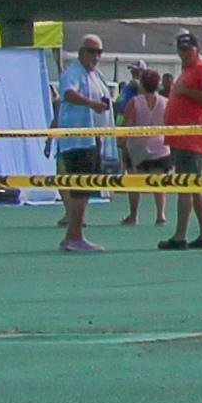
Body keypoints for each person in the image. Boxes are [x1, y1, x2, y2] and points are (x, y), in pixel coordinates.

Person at [51, 32, 118, 253]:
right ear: (81, 52)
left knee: (85, 188)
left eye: (99, 52)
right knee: (80, 188)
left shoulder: (95, 75)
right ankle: (73, 236)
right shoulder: (73, 72)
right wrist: (92, 104)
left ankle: (76, 233)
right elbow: (68, 94)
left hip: (93, 139)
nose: (96, 56)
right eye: (92, 51)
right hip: (78, 140)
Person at [162, 32, 202, 248]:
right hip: (182, 139)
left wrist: (186, 92)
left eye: (188, 49)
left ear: (197, 49)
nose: (184, 53)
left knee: (186, 186)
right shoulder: (187, 70)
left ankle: (180, 236)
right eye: (181, 49)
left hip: (192, 139)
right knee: (193, 187)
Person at [119, 69, 169, 229]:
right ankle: (161, 214)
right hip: (160, 146)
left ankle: (133, 215)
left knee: (134, 181)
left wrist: (121, 142)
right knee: (158, 182)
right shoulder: (165, 102)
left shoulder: (134, 102)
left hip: (138, 147)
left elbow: (126, 126)